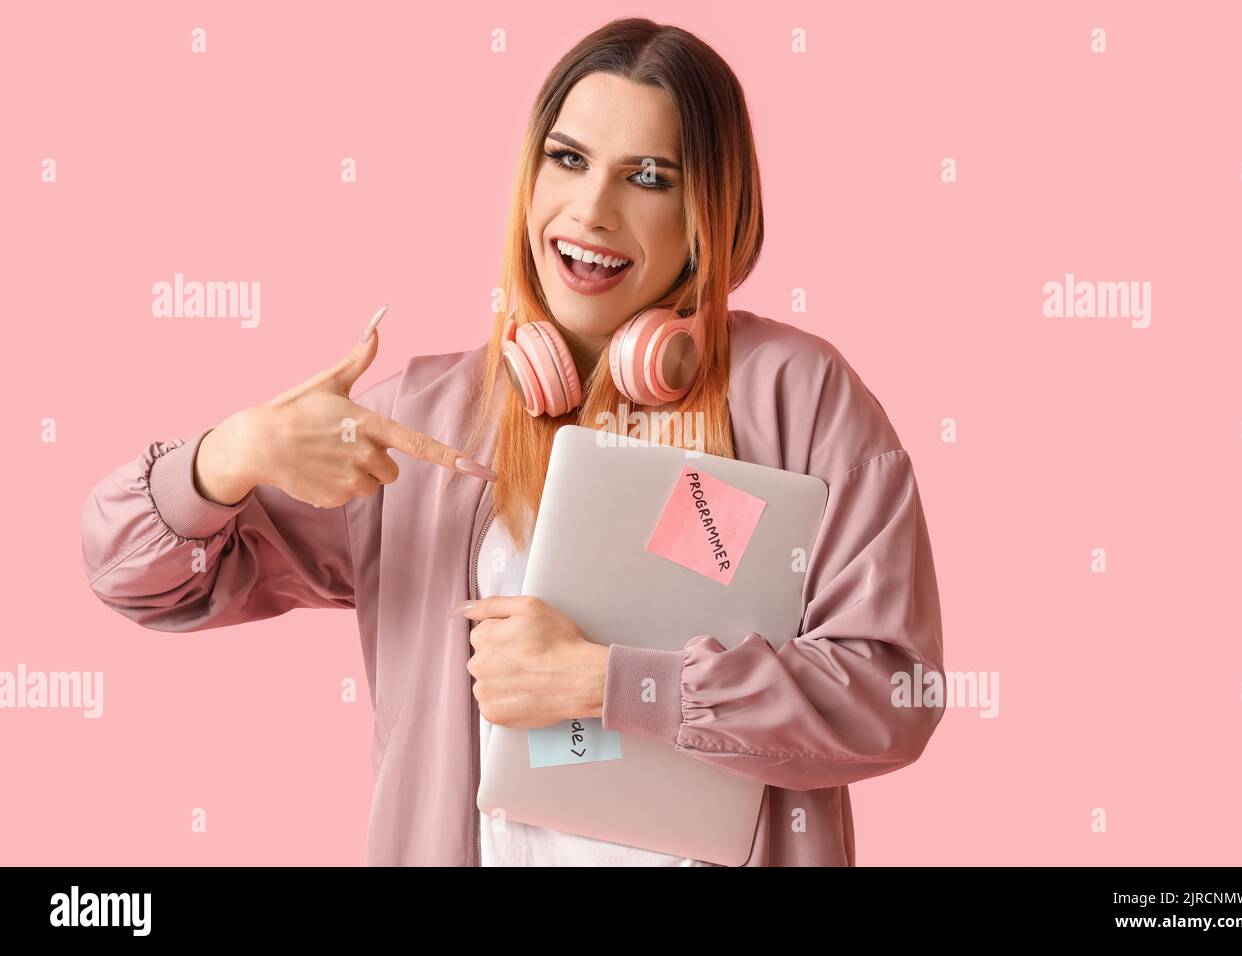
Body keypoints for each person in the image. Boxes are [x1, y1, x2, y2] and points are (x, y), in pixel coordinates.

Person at [80, 17, 945, 867]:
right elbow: (136, 581)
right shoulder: (425, 423)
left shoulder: (798, 394)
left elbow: (890, 699)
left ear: (707, 211)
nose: (593, 210)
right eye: (567, 160)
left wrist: (616, 686)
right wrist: (231, 456)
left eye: (648, 177)